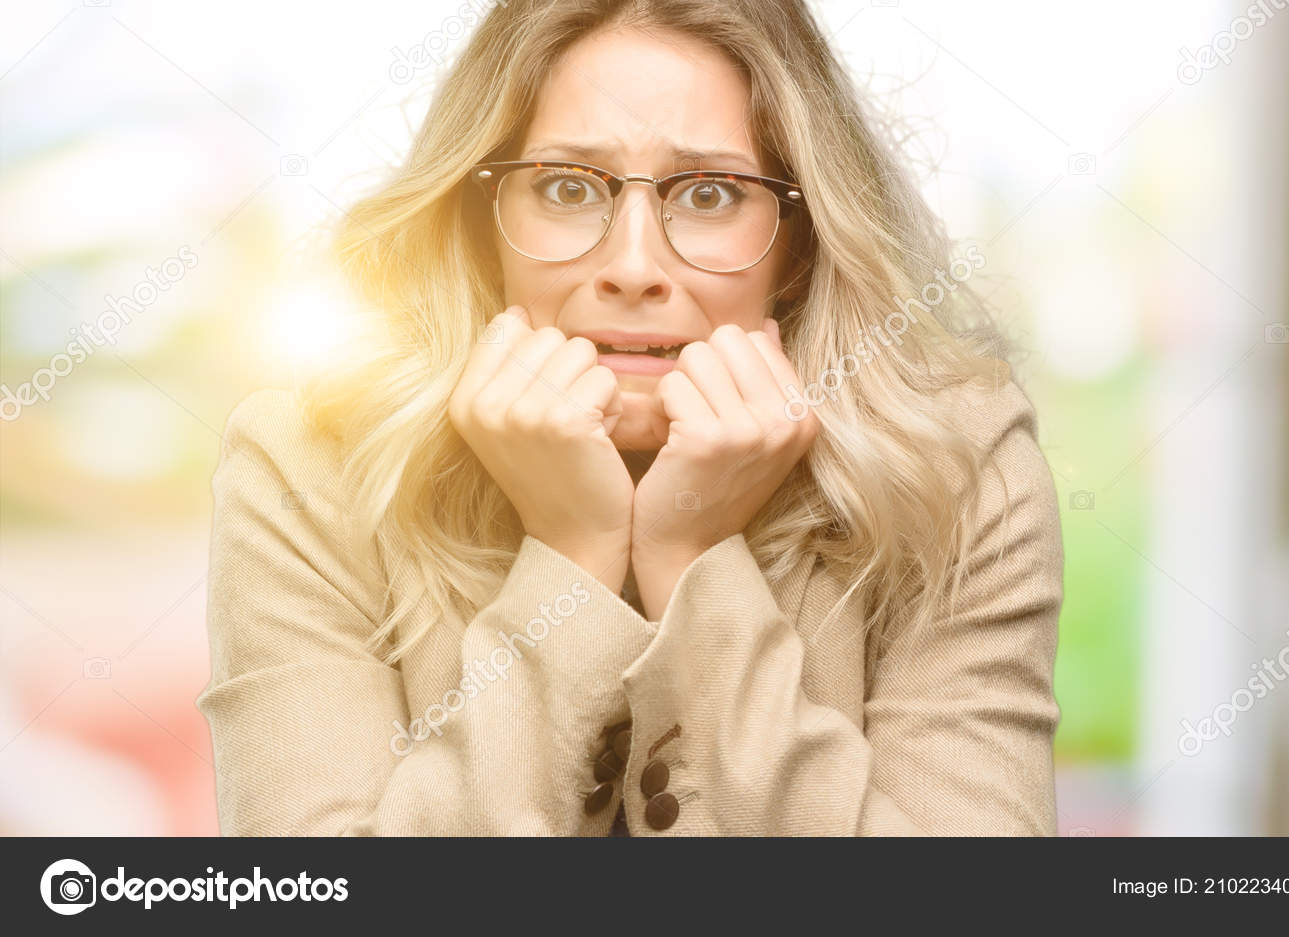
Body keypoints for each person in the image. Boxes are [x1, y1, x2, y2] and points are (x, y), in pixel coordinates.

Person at [199, 0, 1063, 836]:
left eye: (712, 193)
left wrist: (696, 562)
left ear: (799, 243)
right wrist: (571, 559)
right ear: (480, 224)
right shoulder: (306, 467)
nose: (634, 266)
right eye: (569, 187)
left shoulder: (957, 468)